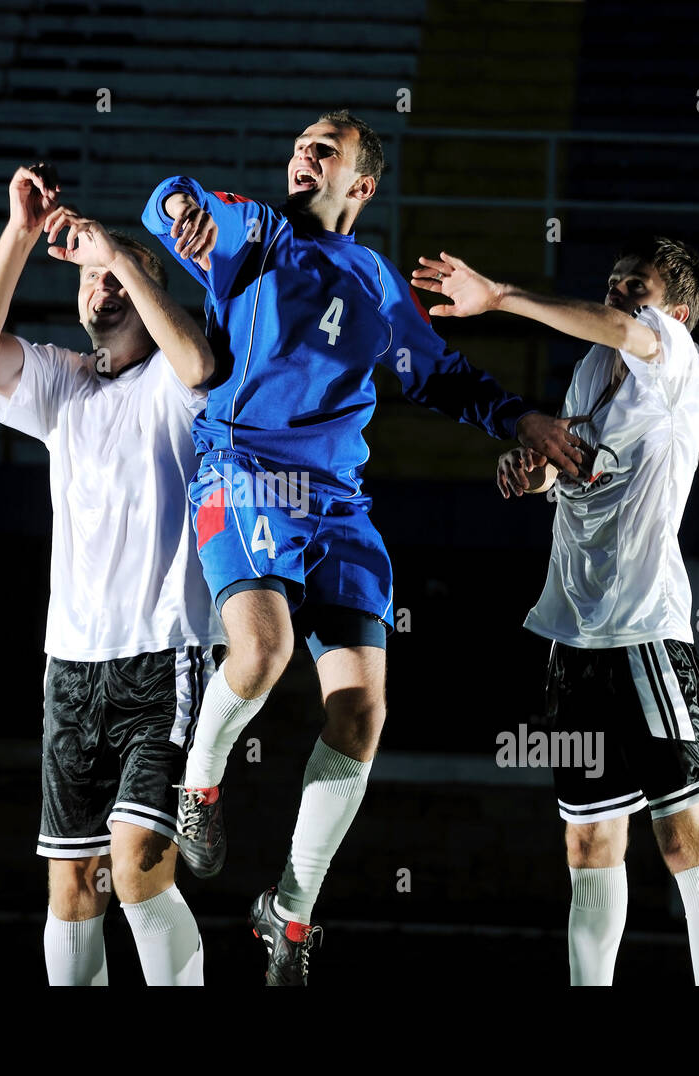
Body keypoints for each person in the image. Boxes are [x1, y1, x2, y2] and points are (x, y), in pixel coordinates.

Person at [140, 110, 588, 985]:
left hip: (338, 505)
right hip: (245, 475)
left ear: (362, 184)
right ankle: (198, 787)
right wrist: (175, 208)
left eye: (325, 150)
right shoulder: (255, 235)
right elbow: (176, 204)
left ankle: (290, 915)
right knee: (262, 653)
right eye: (301, 144)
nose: (303, 156)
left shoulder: (378, 281)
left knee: (362, 713)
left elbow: (441, 375)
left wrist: (524, 415)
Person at [410, 237, 699, 986]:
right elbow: (574, 470)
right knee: (588, 844)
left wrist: (497, 295)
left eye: (640, 285)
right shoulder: (594, 370)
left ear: (677, 313)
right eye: (616, 279)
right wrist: (528, 475)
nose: (621, 291)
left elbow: (621, 327)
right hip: (572, 635)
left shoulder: (674, 357)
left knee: (685, 838)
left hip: (646, 633)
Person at [0, 163, 226, 985]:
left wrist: (122, 254)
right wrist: (21, 233)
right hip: (69, 669)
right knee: (73, 885)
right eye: (91, 277)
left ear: (148, 285)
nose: (100, 288)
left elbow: (201, 366)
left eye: (117, 275)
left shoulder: (176, 383)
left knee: (138, 864)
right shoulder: (64, 383)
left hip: (164, 658)